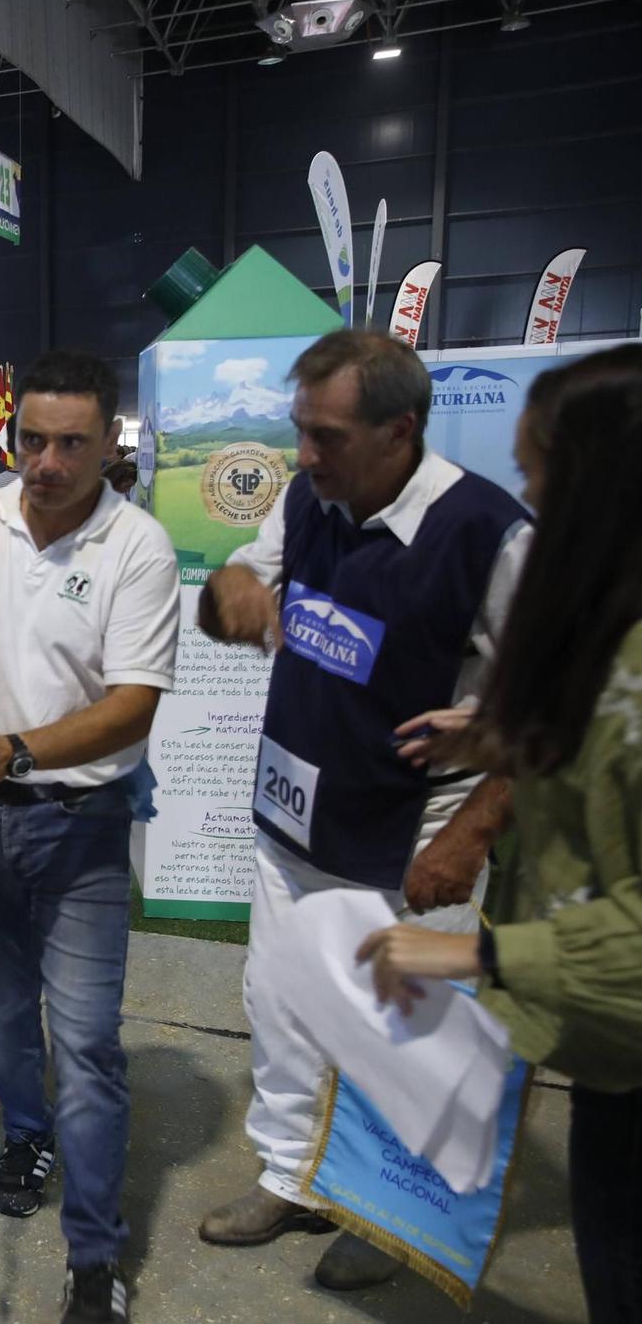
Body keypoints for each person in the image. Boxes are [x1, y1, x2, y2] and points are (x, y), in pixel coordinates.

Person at [195, 330, 531, 1293]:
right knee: (283, 1000)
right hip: (294, 810)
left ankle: (388, 1212)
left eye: (327, 437)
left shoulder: (489, 534)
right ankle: (292, 1174)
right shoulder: (313, 498)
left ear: (401, 432)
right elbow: (234, 584)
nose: (305, 458)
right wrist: (236, 589)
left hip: (417, 827)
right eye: (301, 432)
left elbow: (558, 697)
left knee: (408, 1031)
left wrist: (472, 834)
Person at [354, 346, 642, 1320]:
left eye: (535, 474)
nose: (523, 502)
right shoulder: (608, 635)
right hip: (614, 1059)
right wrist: (505, 735)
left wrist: (476, 949)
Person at [0, 350, 179, 1324]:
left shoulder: (135, 548)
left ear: (109, 442)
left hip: (80, 829)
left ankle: (93, 1260)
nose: (46, 461)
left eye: (70, 443)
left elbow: (133, 706)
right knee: (8, 1015)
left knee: (88, 1041)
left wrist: (14, 750)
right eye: (32, 441)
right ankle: (26, 1135)